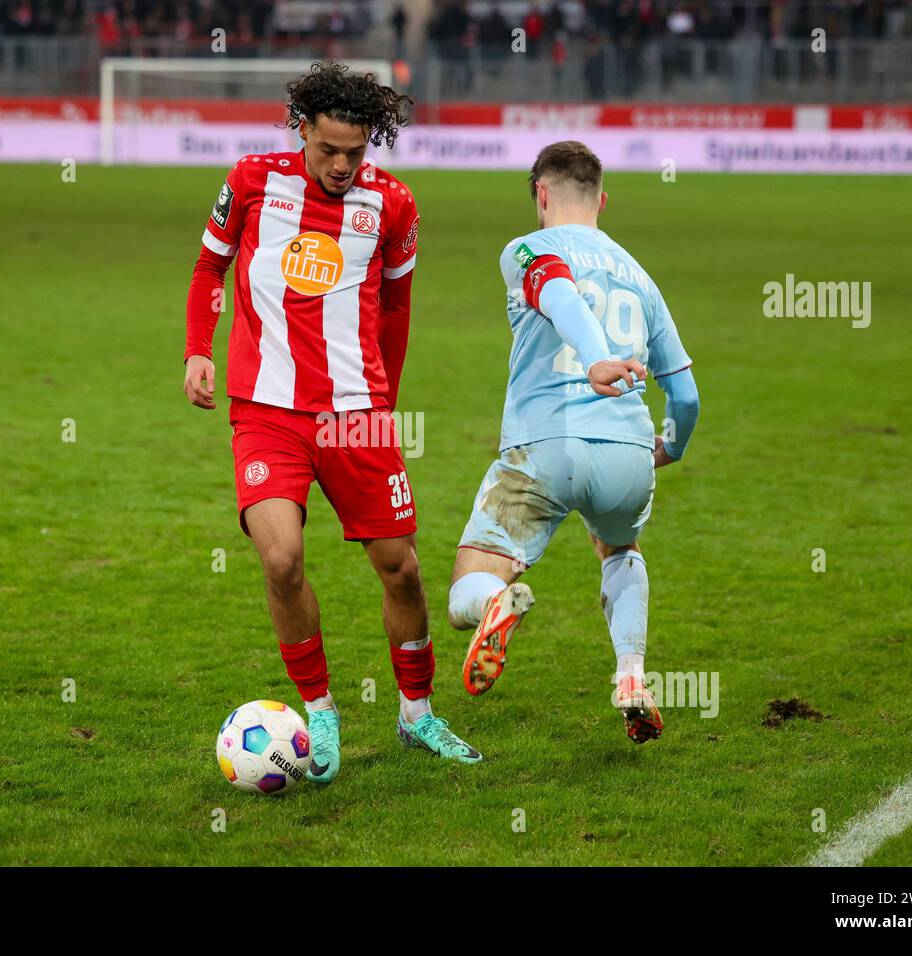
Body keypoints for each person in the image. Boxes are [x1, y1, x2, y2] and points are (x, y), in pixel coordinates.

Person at [183, 61, 482, 784]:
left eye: (357, 151)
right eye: (329, 151)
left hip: (357, 416)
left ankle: (417, 716)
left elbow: (397, 308)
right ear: (301, 132)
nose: (343, 165)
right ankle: (319, 710)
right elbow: (207, 269)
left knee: (401, 570)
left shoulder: (395, 206)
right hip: (267, 410)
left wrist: (384, 401)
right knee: (281, 559)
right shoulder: (253, 181)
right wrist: (199, 351)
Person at [447, 141, 700, 745]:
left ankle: (492, 604)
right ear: (602, 200)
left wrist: (594, 361)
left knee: (468, 580)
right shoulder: (641, 275)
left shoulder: (527, 248)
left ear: (540, 194)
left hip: (548, 447)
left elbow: (557, 292)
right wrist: (671, 445)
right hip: (630, 454)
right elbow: (686, 395)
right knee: (619, 549)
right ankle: (633, 677)